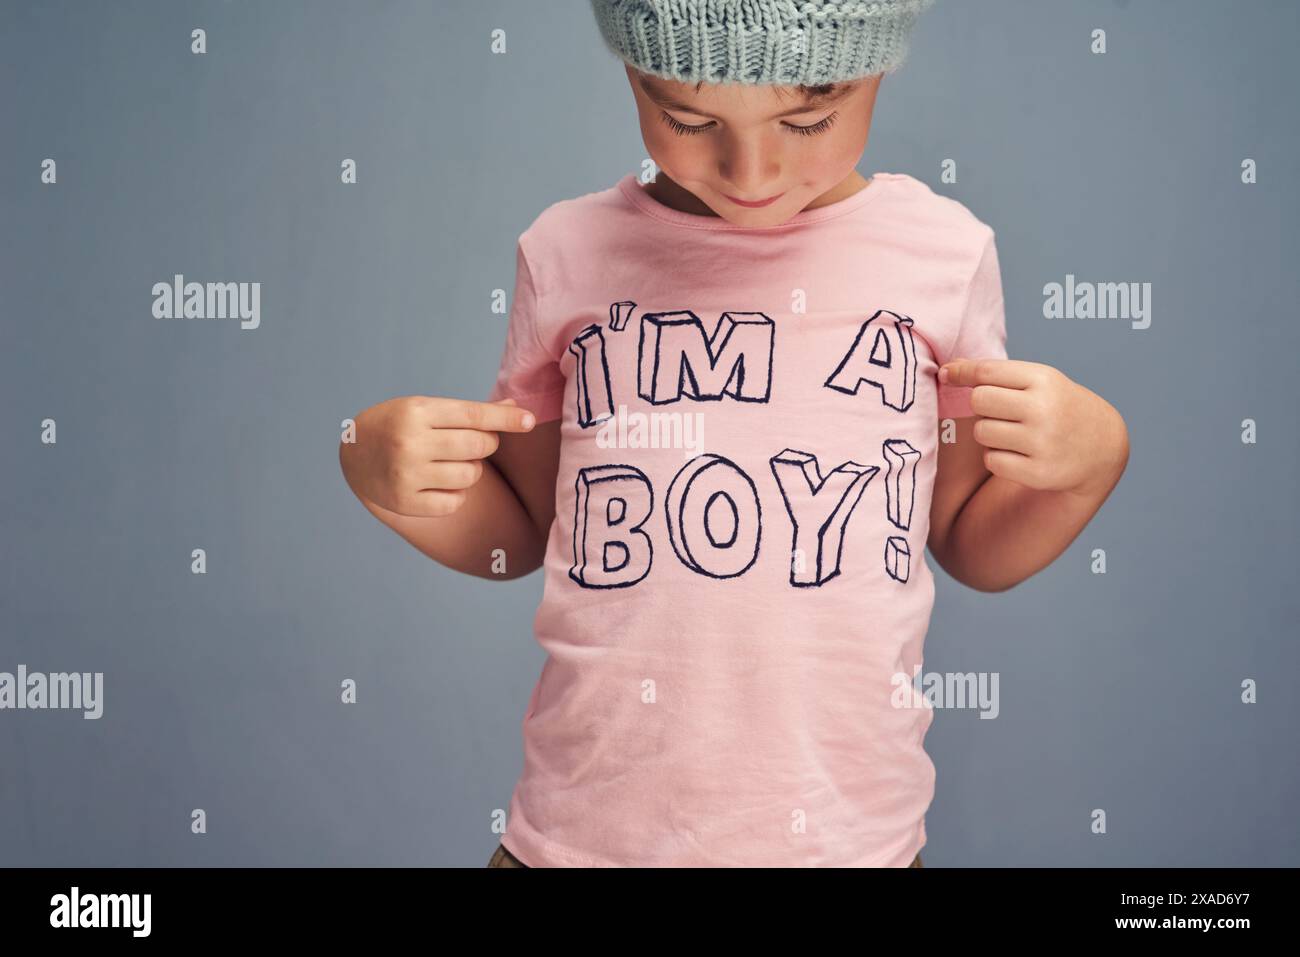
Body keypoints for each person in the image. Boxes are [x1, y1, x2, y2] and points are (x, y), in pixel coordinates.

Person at [339, 0, 1129, 867]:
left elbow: (967, 540)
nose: (751, 172)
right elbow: (523, 530)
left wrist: (1091, 464)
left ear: (881, 68)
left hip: (845, 847)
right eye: (688, 115)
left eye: (807, 117)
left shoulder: (942, 257)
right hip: (576, 846)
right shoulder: (567, 253)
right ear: (633, 73)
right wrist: (387, 477)